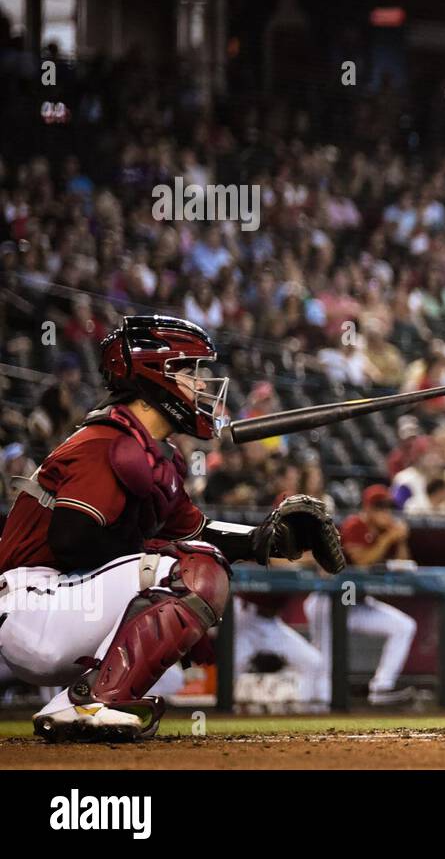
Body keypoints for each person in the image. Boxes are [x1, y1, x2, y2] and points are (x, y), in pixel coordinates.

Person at [0, 315, 342, 741]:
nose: (200, 385)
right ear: (153, 375)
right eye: (189, 371)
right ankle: (91, 702)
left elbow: (193, 532)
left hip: (59, 605)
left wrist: (265, 540)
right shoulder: (105, 442)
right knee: (195, 569)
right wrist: (156, 554)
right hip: (34, 605)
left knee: (194, 561)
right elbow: (71, 540)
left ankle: (84, 703)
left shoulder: (148, 452)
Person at [303, 485, 418, 705]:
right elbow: (363, 562)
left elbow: (404, 564)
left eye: (388, 508)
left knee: (403, 626)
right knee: (324, 660)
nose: (386, 513)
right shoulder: (355, 524)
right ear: (368, 508)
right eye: (380, 508)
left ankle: (382, 688)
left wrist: (400, 539)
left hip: (358, 603)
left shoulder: (387, 531)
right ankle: (315, 709)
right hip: (328, 601)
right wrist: (388, 539)